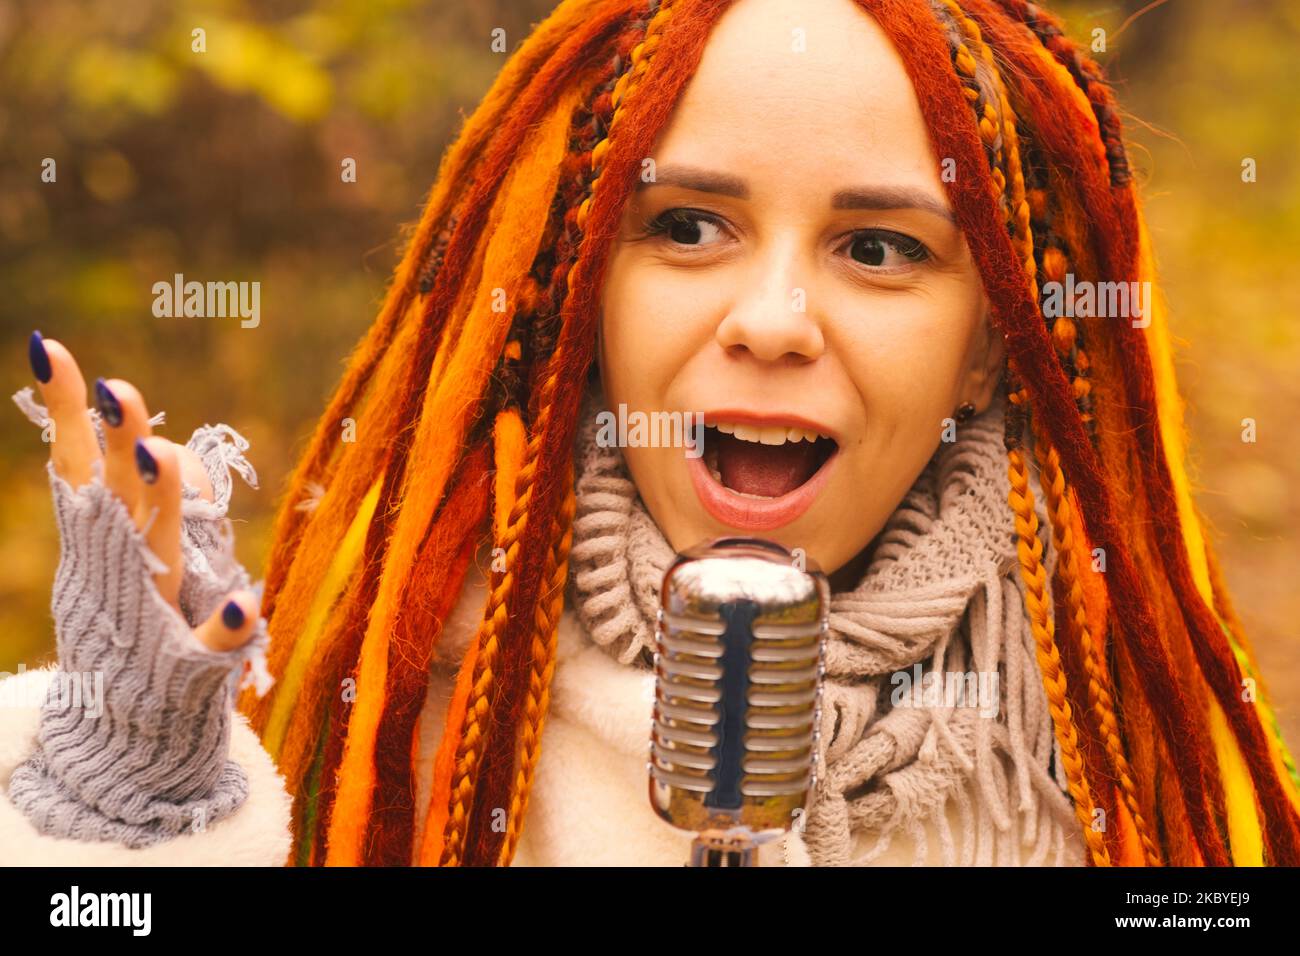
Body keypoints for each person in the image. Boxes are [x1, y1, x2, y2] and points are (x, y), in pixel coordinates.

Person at [3, 0, 1298, 867]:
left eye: (880, 247)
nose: (773, 322)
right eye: (686, 227)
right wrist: (128, 810)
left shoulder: (1122, 758)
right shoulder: (396, 705)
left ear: (985, 350)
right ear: (582, 290)